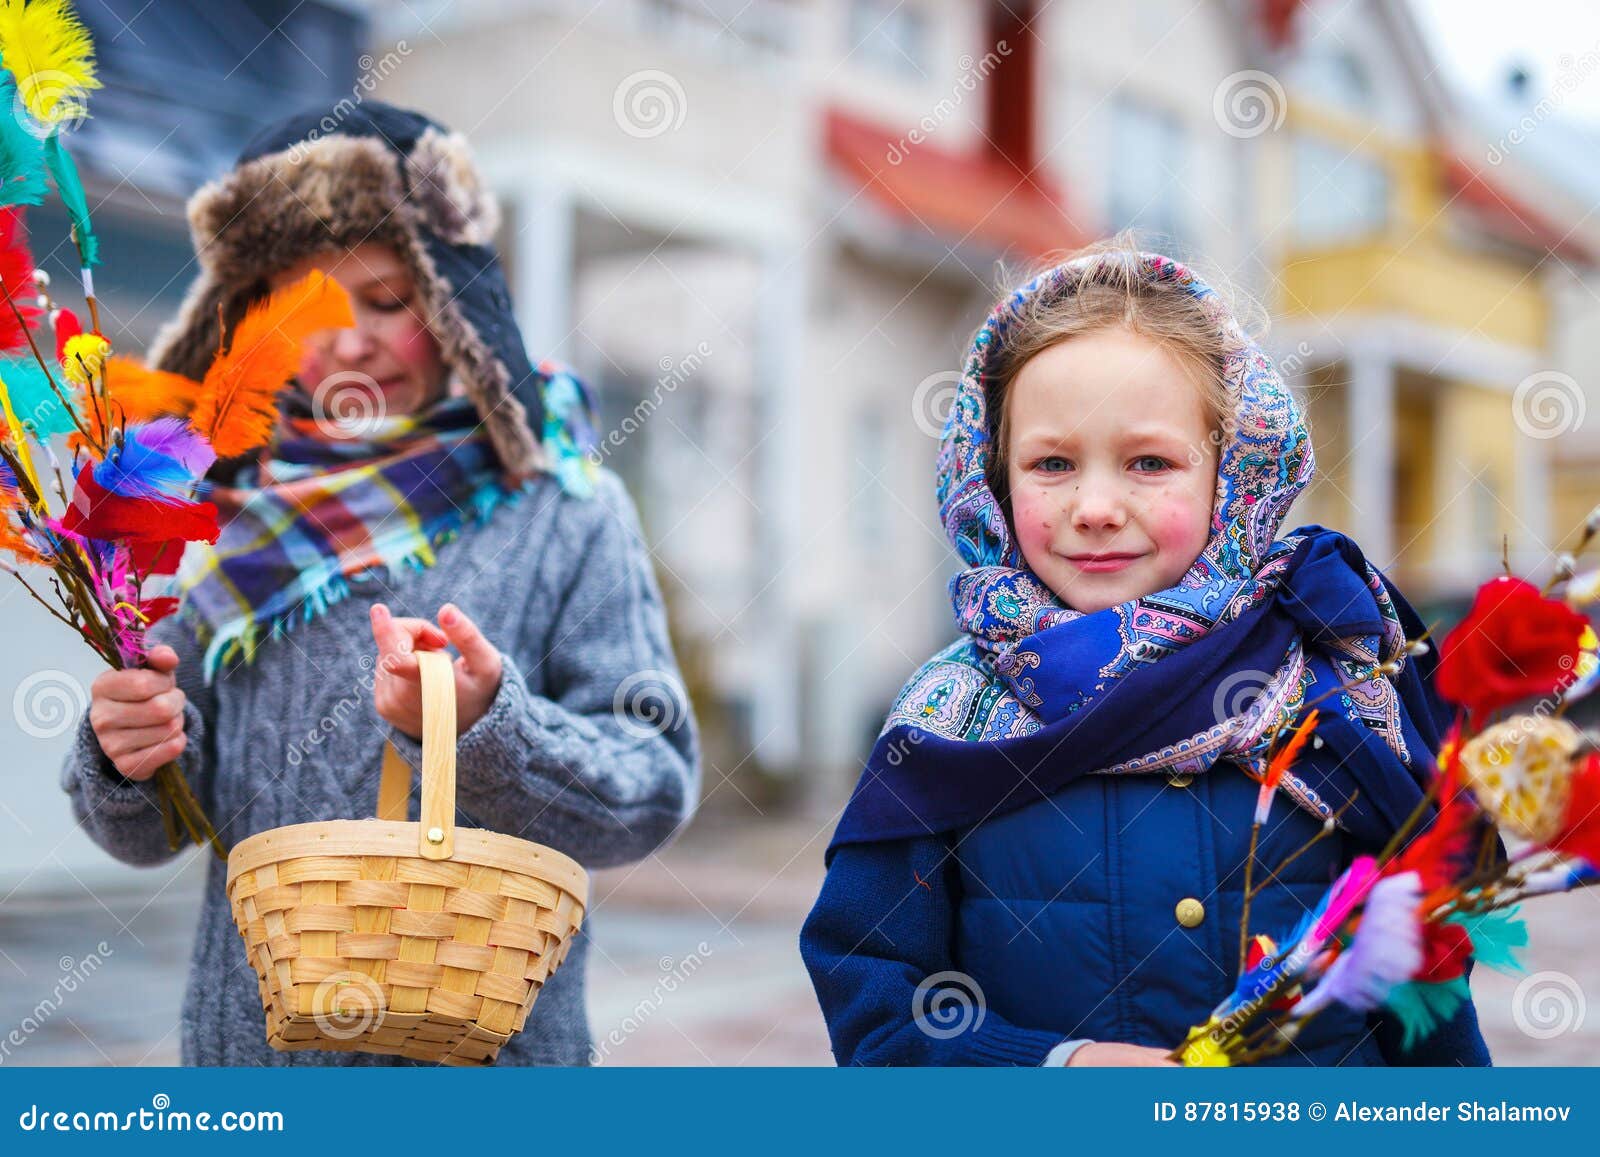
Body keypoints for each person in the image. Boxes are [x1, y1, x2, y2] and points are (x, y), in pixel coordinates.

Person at [61, 102, 699, 1066]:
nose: (351, 341)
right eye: (306, 308)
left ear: (456, 305)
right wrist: (126, 756)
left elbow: (652, 785)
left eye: (388, 299)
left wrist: (494, 725)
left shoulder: (566, 508)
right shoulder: (224, 510)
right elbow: (153, 833)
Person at [799, 238, 1490, 1067]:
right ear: (991, 477)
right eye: (1052, 462)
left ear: (1230, 476)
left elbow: (1427, 1003)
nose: (1095, 504)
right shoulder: (944, 722)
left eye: (1150, 462)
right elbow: (877, 1011)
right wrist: (1057, 1072)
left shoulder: (1334, 691)